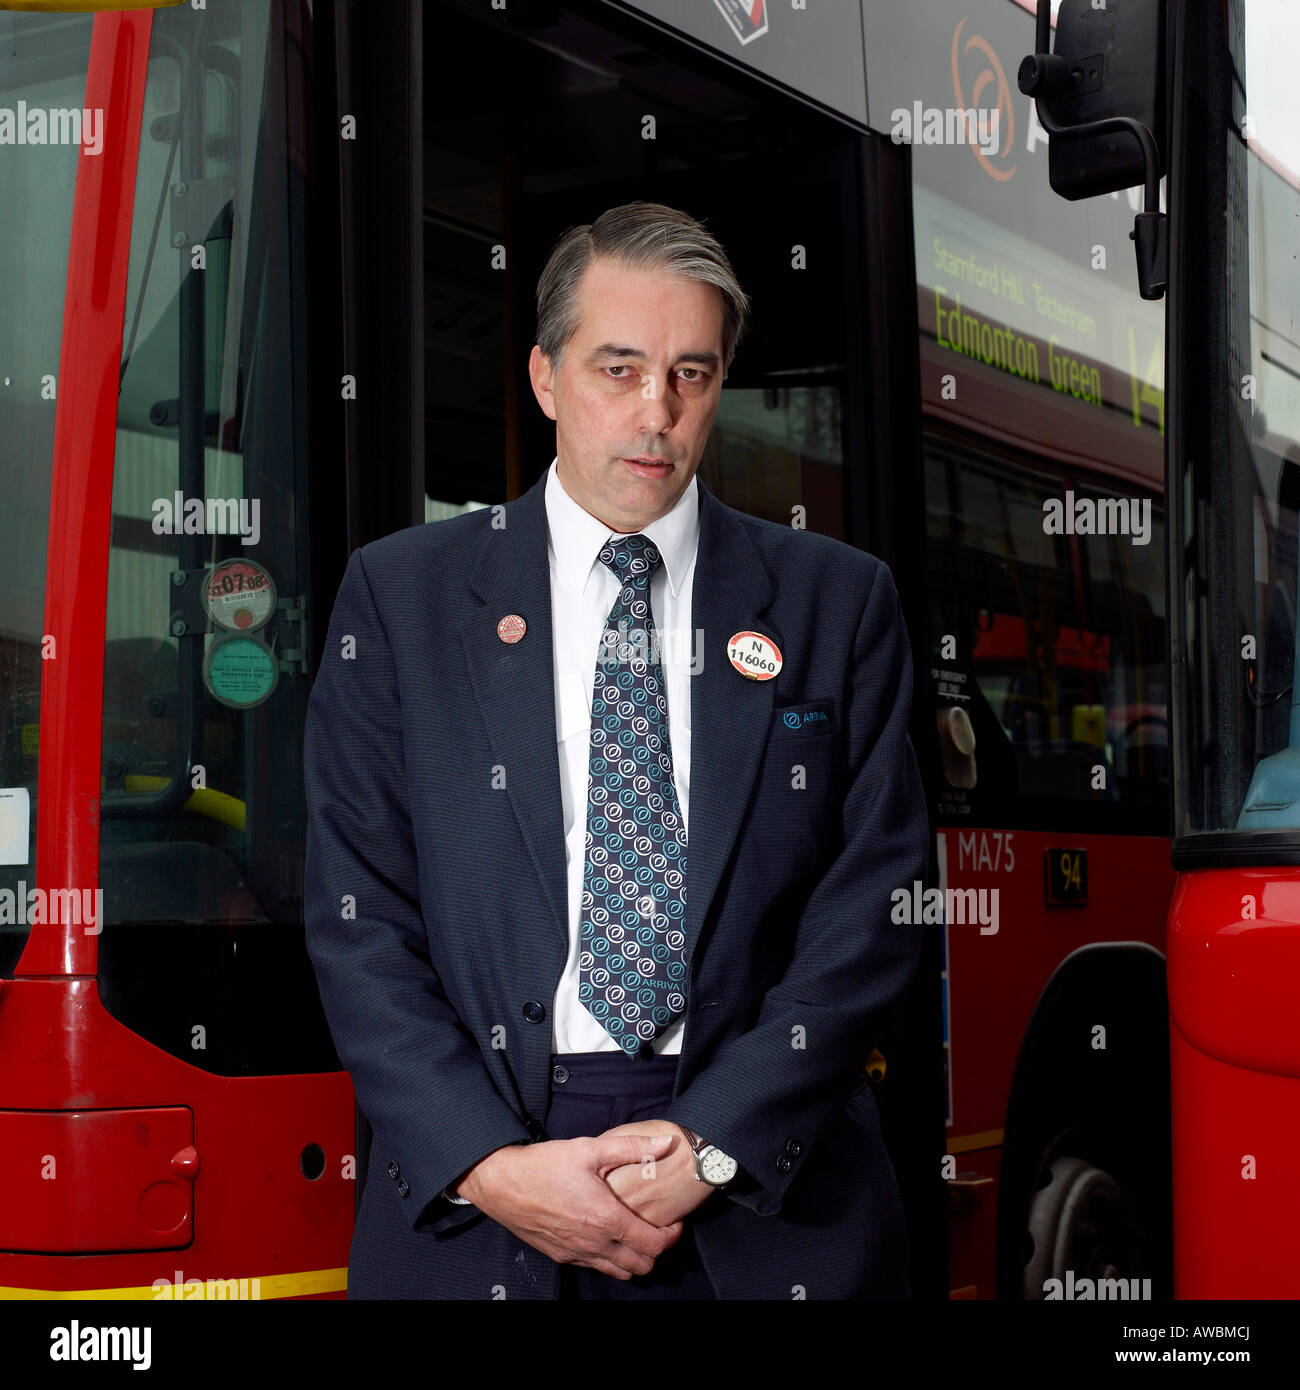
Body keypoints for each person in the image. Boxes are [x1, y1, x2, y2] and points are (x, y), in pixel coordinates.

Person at [304, 200, 929, 1300]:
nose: (655, 413)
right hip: (485, 1198)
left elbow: (872, 910)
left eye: (690, 374)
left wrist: (710, 1145)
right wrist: (490, 1166)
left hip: (760, 1195)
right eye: (618, 368)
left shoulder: (838, 601)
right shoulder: (400, 598)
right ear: (546, 379)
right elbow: (359, 920)